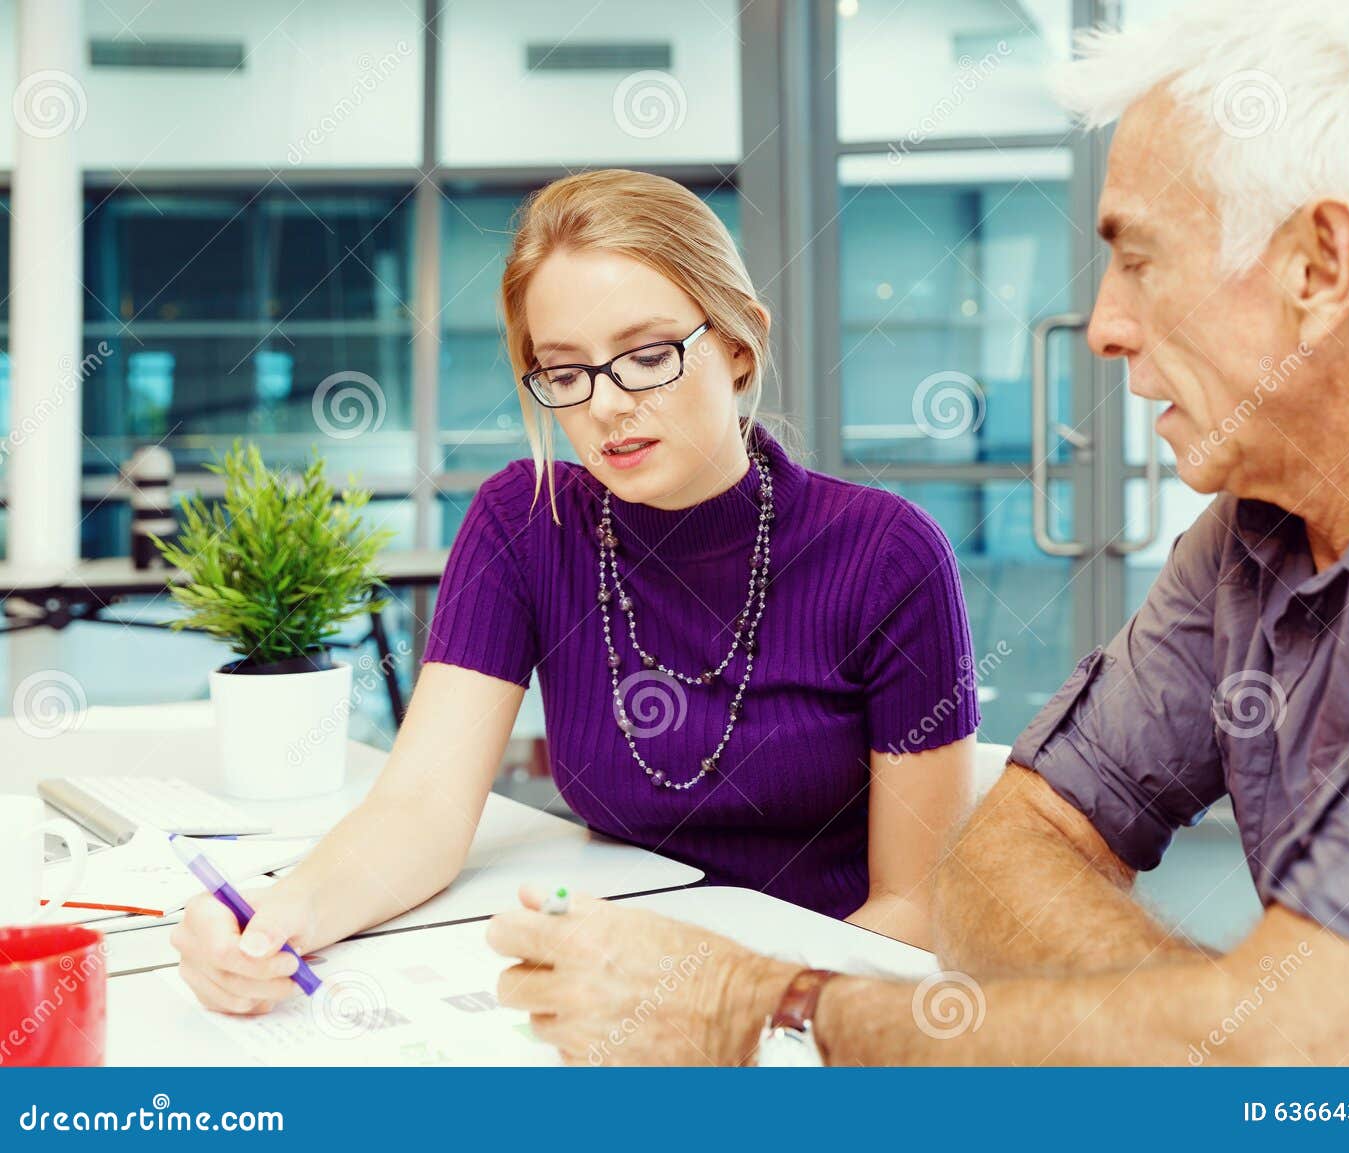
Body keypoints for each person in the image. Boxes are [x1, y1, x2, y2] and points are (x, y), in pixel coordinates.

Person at [486, 0, 1349, 1066]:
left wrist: (769, 997)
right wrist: (1241, 1017)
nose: (1104, 324)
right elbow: (999, 858)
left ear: (1318, 267)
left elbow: (1312, 1053)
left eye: (1139, 255)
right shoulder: (1252, 532)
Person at [170, 170, 979, 1014]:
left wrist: (726, 1003)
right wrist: (273, 919)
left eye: (650, 355)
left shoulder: (886, 554)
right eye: (565, 372)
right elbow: (421, 808)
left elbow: (916, 908)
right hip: (614, 994)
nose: (608, 406)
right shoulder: (526, 522)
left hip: (824, 1011)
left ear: (740, 345)